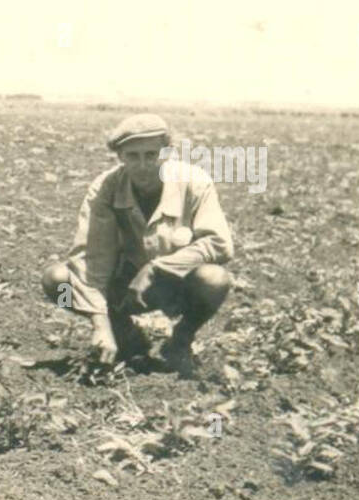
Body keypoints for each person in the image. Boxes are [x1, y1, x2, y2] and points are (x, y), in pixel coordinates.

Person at [40, 113, 234, 377]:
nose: (143, 165)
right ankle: (124, 333)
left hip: (175, 287)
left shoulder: (194, 182)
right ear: (120, 156)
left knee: (215, 279)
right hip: (123, 290)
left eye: (151, 155)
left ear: (167, 153)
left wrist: (157, 267)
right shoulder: (105, 189)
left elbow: (220, 244)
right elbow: (91, 259)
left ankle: (181, 338)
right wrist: (100, 324)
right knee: (59, 282)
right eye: (133, 156)